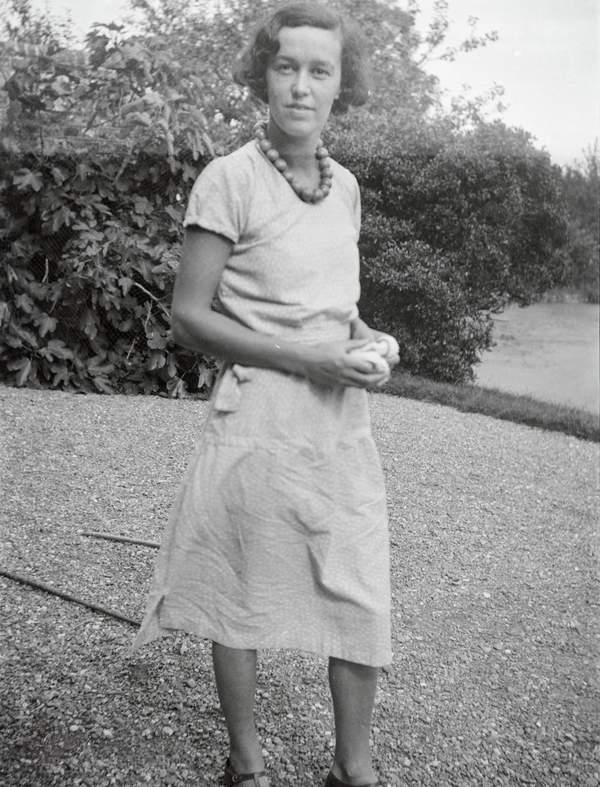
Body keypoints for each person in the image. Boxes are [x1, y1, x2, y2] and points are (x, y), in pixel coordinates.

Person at [133, 3, 398, 785]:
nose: (302, 86)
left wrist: (368, 339)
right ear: (264, 75)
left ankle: (353, 769)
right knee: (239, 588)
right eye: (287, 67)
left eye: (320, 70)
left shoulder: (345, 188)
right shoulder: (229, 179)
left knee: (359, 591)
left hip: (339, 424)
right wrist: (310, 358)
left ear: (342, 84)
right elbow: (189, 315)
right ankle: (246, 764)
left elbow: (336, 308)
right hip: (256, 419)